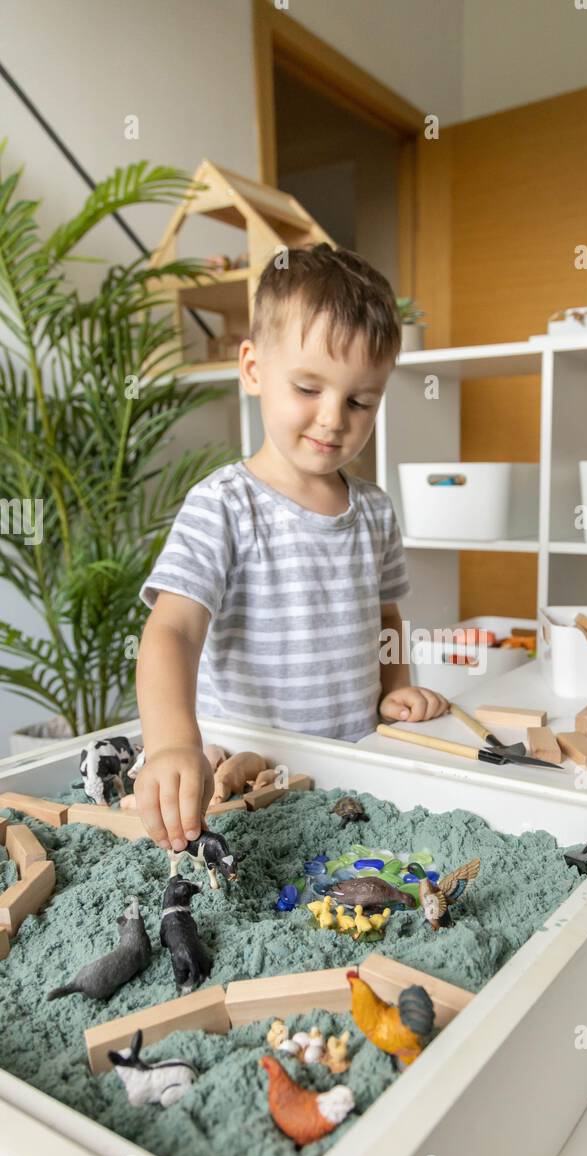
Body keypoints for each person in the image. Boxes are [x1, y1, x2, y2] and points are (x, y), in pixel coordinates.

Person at [134, 243, 447, 853]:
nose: (334, 419)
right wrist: (173, 742)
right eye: (308, 388)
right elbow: (172, 629)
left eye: (361, 401)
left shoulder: (374, 510)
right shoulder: (223, 504)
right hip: (250, 778)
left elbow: (386, 619)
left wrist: (395, 689)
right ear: (253, 369)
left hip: (352, 763)